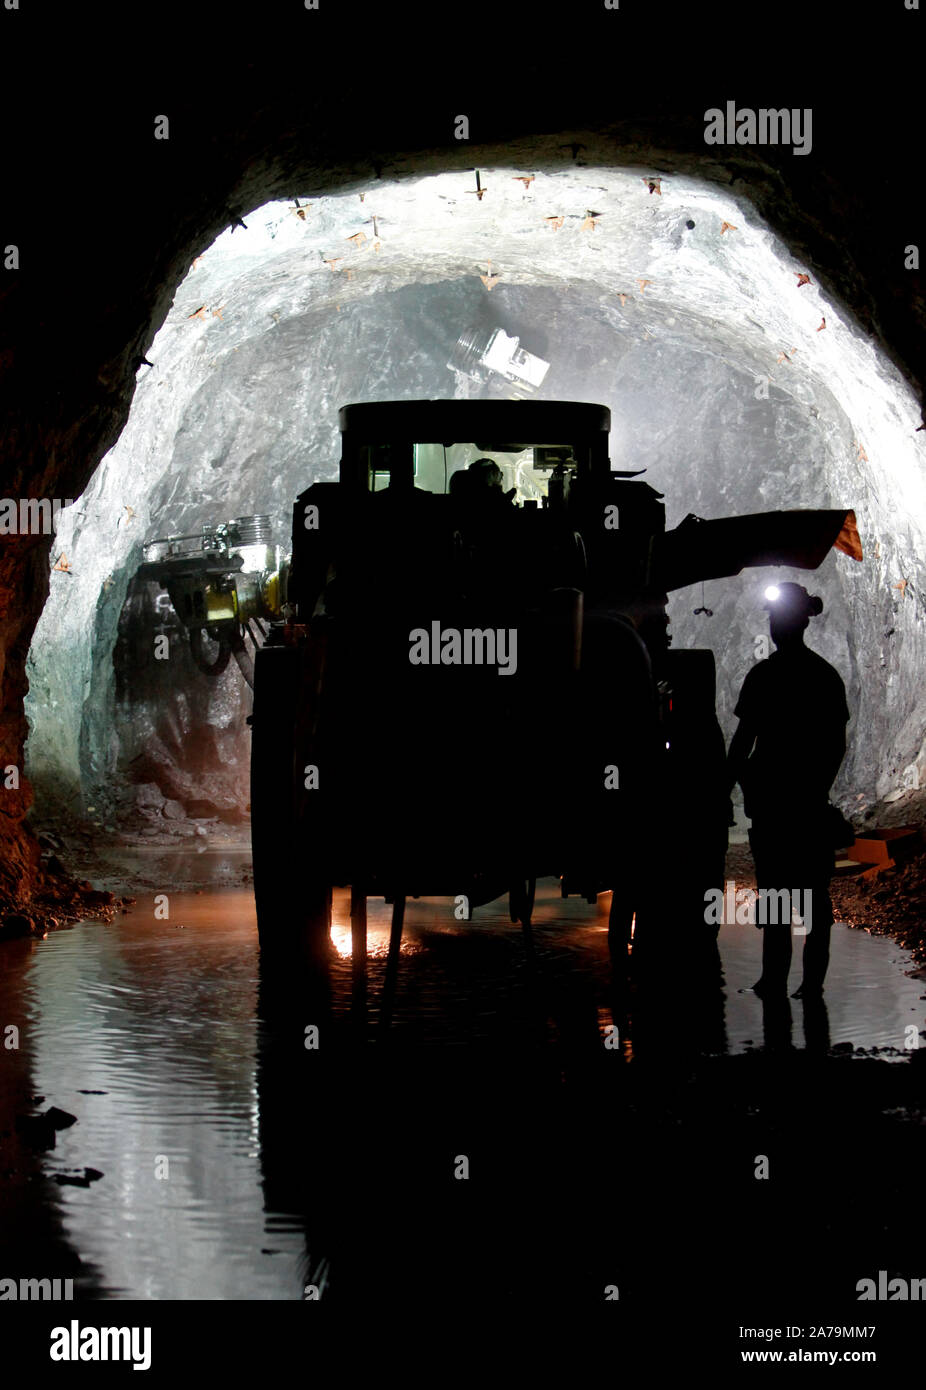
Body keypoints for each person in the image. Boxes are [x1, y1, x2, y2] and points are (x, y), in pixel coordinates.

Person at [726, 582, 850, 998]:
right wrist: (816, 789)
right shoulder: (825, 677)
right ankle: (810, 988)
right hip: (807, 807)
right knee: (814, 898)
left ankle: (773, 983)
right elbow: (836, 743)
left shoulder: (765, 675)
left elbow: (743, 741)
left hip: (774, 809)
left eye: (775, 618)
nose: (773, 624)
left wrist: (726, 788)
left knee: (777, 896)